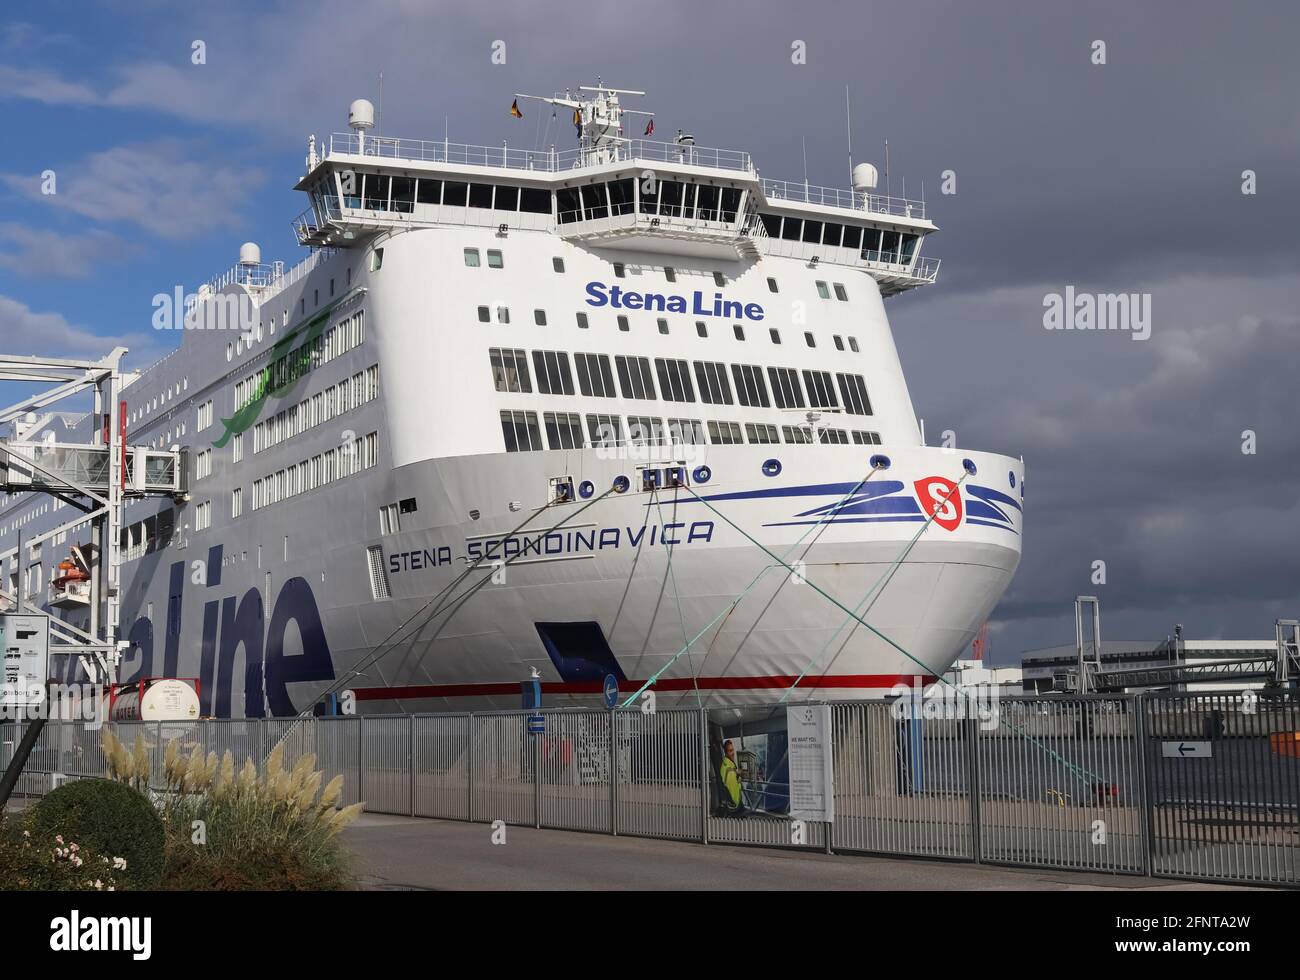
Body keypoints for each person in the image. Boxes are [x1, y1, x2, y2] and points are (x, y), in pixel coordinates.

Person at [719, 740, 744, 812]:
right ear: (726, 753)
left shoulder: (727, 765)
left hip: (733, 804)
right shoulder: (729, 769)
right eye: (730, 751)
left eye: (732, 750)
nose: (733, 753)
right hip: (735, 806)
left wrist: (737, 774)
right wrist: (739, 778)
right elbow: (734, 789)